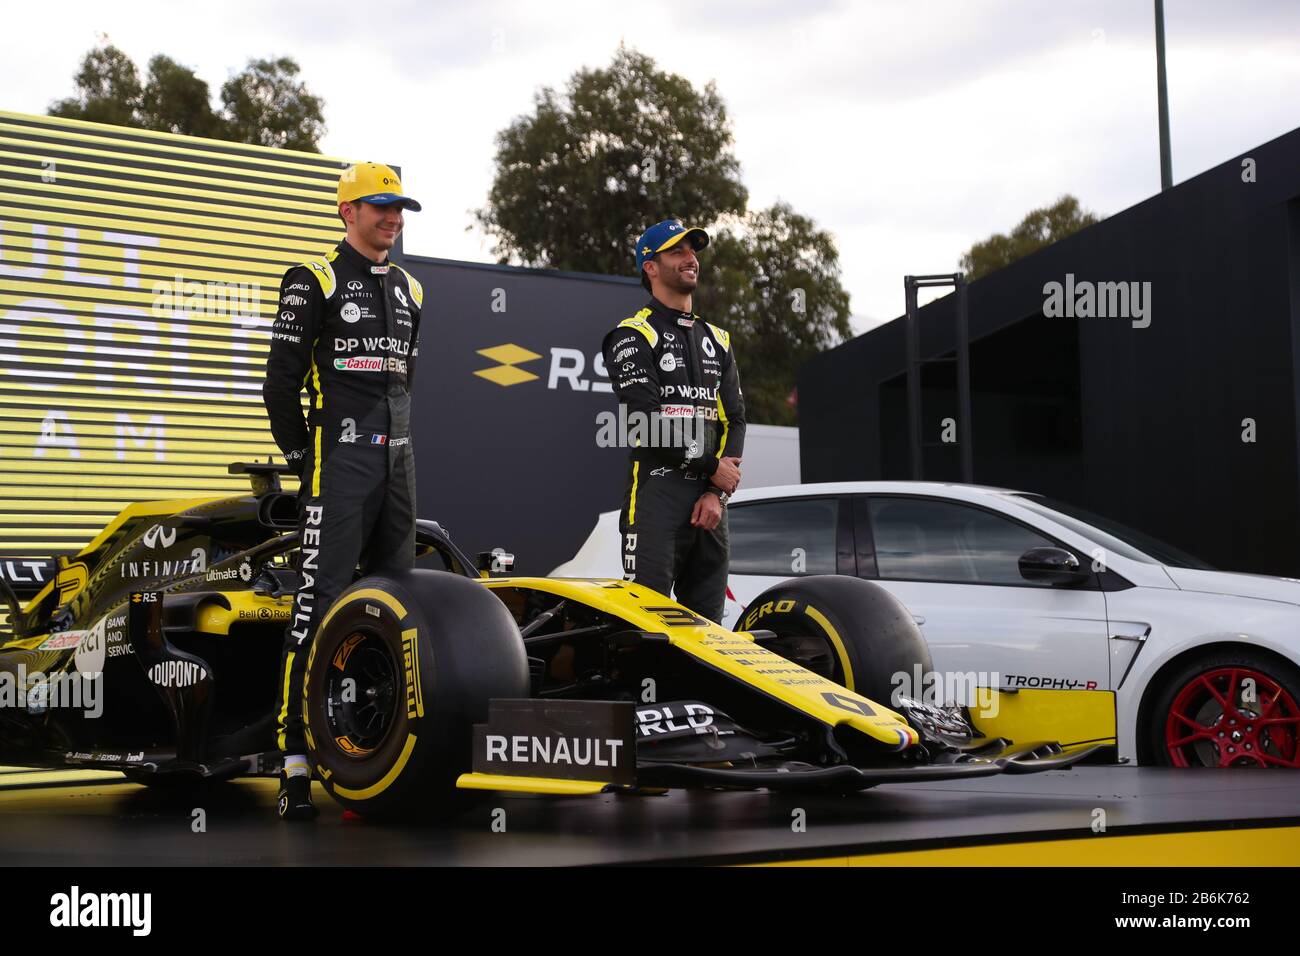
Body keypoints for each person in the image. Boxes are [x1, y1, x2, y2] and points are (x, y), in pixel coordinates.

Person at [262, 162, 424, 820]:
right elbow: (280, 386)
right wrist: (308, 460)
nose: (392, 217)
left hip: (400, 464)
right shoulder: (315, 279)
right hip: (340, 462)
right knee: (318, 603)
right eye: (378, 206)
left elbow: (406, 384)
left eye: (399, 208)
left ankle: (374, 748)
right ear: (346, 212)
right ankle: (294, 758)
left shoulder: (415, 289)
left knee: (395, 604)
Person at [601, 219, 746, 623]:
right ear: (650, 266)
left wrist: (717, 493)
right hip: (656, 497)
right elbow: (645, 421)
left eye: (693, 251)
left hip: (710, 504)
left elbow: (734, 419)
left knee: (709, 634)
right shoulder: (632, 334)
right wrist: (711, 468)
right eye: (678, 251)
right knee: (648, 626)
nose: (691, 259)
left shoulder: (718, 338)